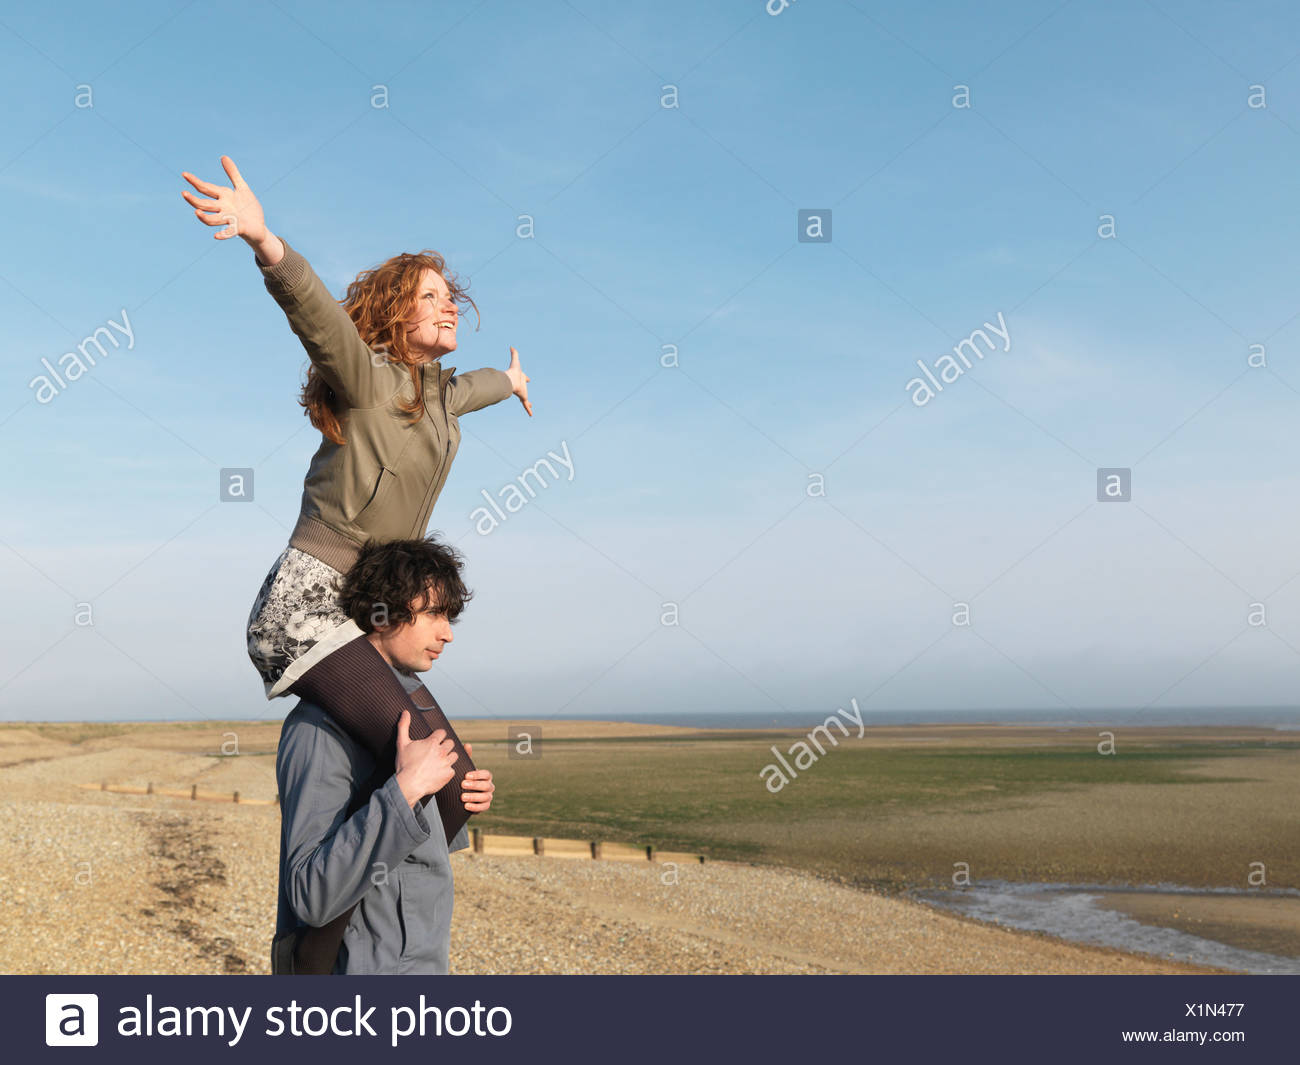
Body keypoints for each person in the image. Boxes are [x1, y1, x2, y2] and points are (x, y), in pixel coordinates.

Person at [179, 155, 531, 807]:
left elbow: (478, 386)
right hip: (308, 607)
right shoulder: (370, 380)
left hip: (374, 613)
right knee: (431, 776)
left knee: (462, 797)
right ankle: (318, 904)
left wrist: (512, 383)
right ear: (397, 315)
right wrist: (264, 240)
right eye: (429, 296)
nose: (448, 303)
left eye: (449, 294)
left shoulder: (444, 401)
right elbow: (316, 315)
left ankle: (374, 905)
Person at [274, 536, 495, 975]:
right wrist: (407, 788)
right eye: (434, 613)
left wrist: (452, 795)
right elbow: (309, 895)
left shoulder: (408, 712)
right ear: (383, 613)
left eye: (449, 617)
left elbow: (407, 870)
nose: (447, 633)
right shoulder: (318, 730)